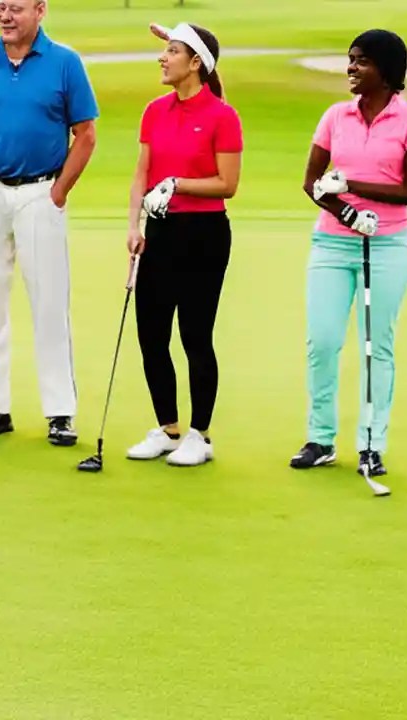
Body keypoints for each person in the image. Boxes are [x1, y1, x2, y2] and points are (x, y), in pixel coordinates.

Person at [0, 0, 99, 448]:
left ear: (40, 10)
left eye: (15, 8)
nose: (5, 16)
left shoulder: (65, 63)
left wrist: (60, 191)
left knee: (49, 302)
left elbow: (85, 134)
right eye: (0, 7)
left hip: (40, 192)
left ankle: (60, 412)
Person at [291, 29, 407, 476]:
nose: (351, 68)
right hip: (332, 243)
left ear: (387, 71)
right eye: (350, 59)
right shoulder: (335, 116)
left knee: (376, 347)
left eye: (362, 61)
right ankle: (321, 438)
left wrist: (350, 186)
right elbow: (312, 182)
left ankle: (372, 444)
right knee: (324, 341)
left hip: (388, 246)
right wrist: (348, 214)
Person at [123, 22, 242, 467]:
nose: (162, 57)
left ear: (195, 63)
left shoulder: (222, 116)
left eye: (171, 51)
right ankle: (169, 428)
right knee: (151, 334)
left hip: (204, 237)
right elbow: (141, 174)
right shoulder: (155, 110)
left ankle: (200, 434)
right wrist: (133, 226)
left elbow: (227, 184)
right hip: (160, 233)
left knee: (194, 335)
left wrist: (177, 184)